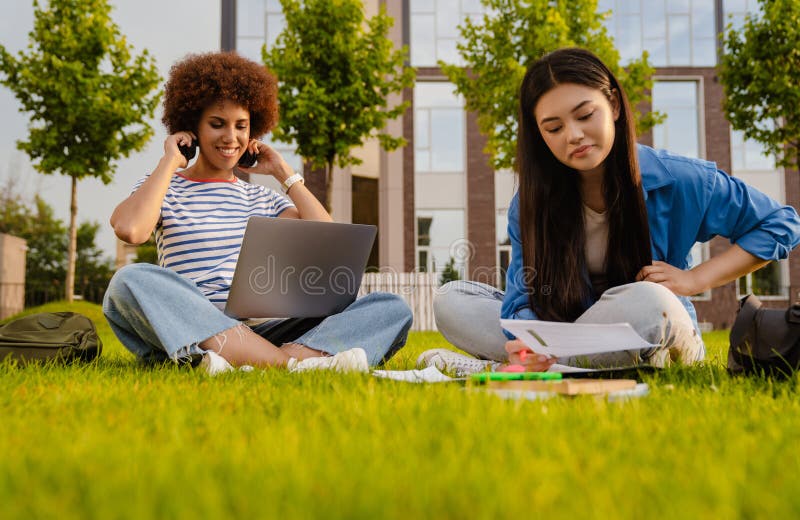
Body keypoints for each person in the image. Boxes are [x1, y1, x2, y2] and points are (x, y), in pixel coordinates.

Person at [420, 47, 800, 376]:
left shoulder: (680, 178)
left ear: (614, 105)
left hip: (654, 325)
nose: (573, 135)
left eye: (585, 116)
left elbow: (781, 224)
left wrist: (694, 281)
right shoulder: (531, 203)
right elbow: (522, 298)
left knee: (648, 301)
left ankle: (524, 368)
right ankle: (556, 363)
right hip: (566, 329)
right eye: (553, 128)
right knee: (452, 300)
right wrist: (524, 339)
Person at [103, 52, 412, 374]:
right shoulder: (163, 186)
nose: (230, 137)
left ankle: (250, 361)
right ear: (192, 127)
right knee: (129, 280)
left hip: (265, 327)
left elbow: (326, 240)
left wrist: (283, 172)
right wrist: (170, 161)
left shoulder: (262, 198)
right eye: (217, 124)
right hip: (196, 324)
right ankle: (293, 364)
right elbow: (131, 231)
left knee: (391, 308)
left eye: (241, 126)